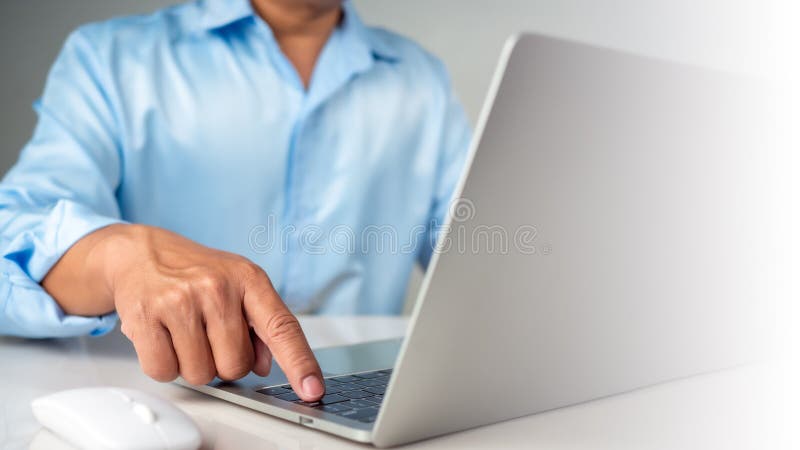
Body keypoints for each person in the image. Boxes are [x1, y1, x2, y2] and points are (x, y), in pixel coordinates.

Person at [0, 0, 470, 402]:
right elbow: (12, 234)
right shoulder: (112, 58)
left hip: (363, 401)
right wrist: (118, 256)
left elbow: (478, 256)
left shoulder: (422, 78)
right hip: (163, 394)